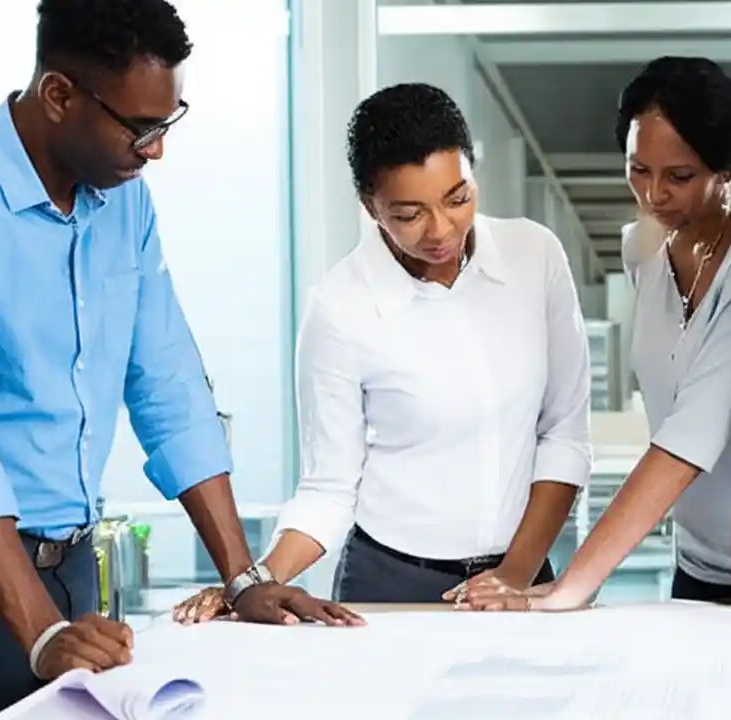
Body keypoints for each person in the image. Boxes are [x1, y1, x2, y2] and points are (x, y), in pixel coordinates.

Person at [0, 1, 358, 717]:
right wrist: (40, 632)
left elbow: (168, 381)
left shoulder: (123, 203)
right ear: (60, 95)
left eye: (168, 122)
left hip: (72, 568)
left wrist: (242, 577)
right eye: (141, 128)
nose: (155, 150)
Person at [461, 57, 731, 614]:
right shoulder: (642, 247)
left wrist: (570, 587)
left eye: (679, 176)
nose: (654, 194)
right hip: (704, 559)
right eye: (639, 169)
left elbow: (694, 431)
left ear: (726, 167)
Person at [171, 82, 591, 620]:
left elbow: (564, 435)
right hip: (389, 583)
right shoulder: (341, 306)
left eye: (458, 198)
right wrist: (251, 583)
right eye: (409, 214)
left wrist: (514, 574)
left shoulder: (535, 256)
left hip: (521, 574)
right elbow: (329, 485)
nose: (441, 230)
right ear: (370, 206)